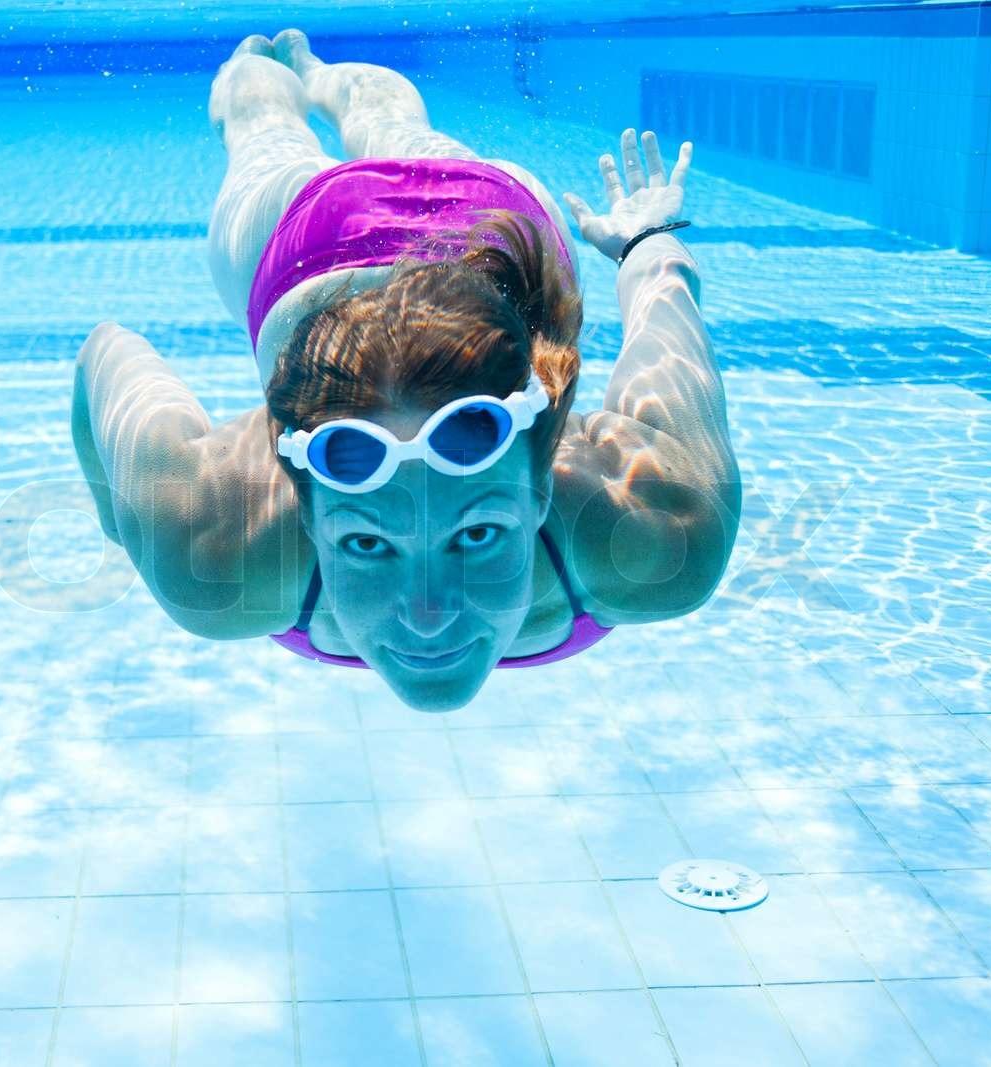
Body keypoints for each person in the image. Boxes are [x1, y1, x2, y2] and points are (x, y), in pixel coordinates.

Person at [72, 30, 740, 711]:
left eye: (478, 533)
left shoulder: (206, 557)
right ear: (301, 505)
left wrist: (130, 516)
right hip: (469, 222)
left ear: (542, 487)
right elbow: (106, 351)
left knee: (310, 137)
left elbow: (105, 350)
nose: (428, 616)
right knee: (283, 130)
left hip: (340, 242)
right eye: (363, 541)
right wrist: (644, 245)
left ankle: (309, 75)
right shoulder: (664, 539)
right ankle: (275, 77)